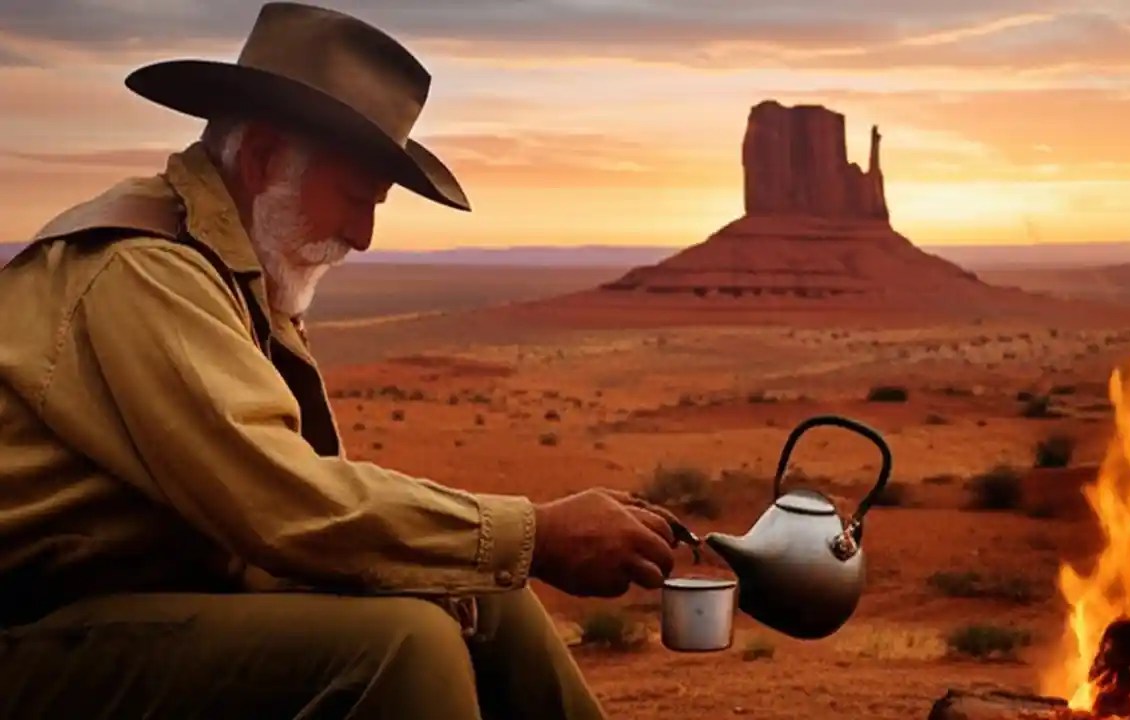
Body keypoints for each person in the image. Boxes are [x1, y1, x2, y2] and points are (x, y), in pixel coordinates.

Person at [0, 3, 683, 718]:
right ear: (262, 158)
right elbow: (280, 506)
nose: (362, 234)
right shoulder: (142, 271)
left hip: (127, 613)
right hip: (30, 631)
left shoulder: (232, 271)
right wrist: (536, 534)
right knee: (401, 644)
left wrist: (472, 560)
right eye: (355, 199)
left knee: (483, 598)